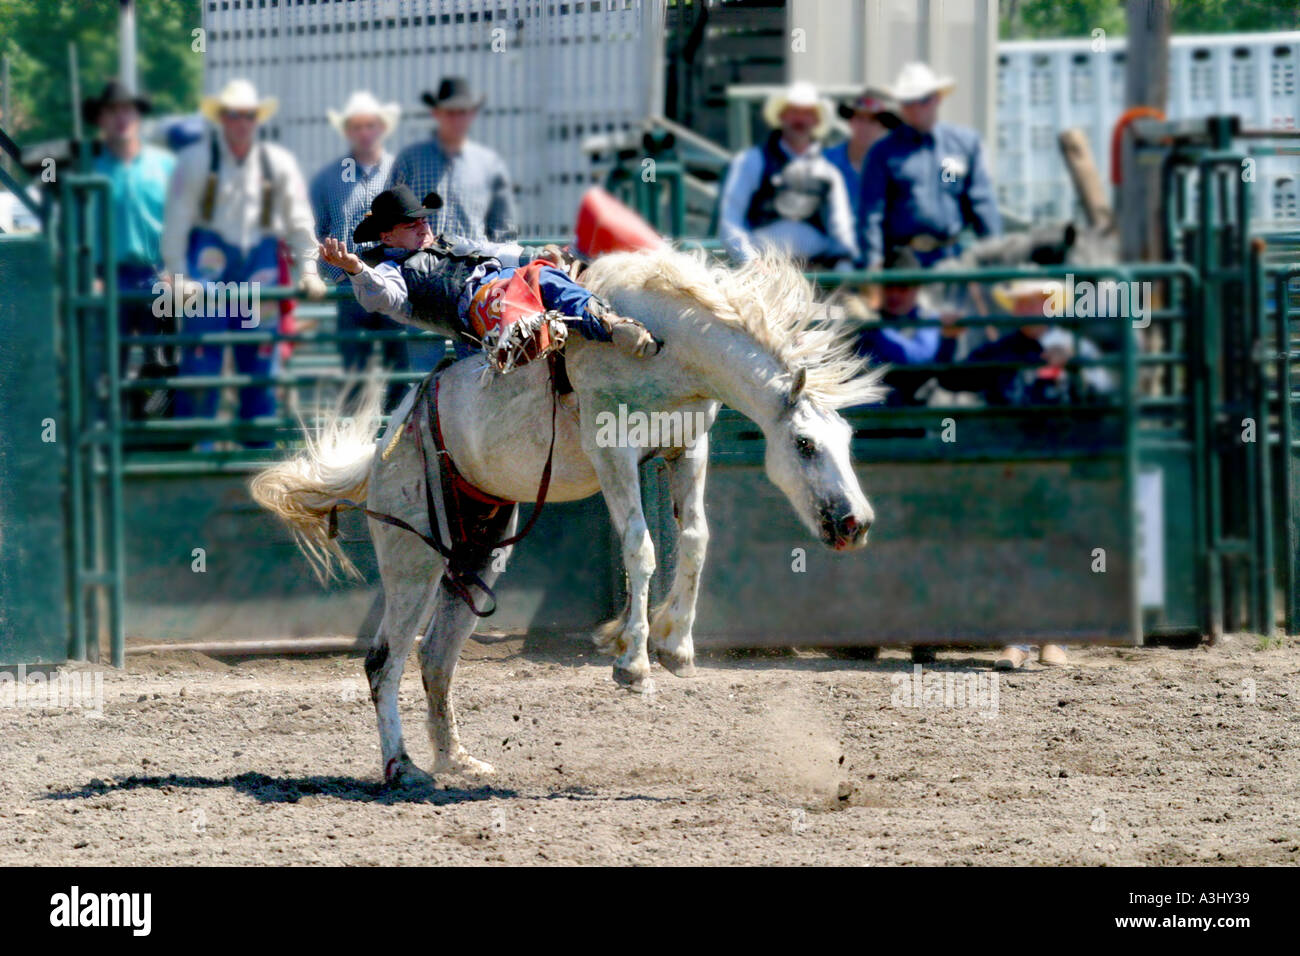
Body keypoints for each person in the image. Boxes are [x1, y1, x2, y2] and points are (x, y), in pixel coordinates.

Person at [162, 79, 324, 447]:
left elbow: (299, 222)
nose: (241, 122)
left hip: (260, 271)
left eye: (248, 115)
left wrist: (310, 270)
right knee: (201, 360)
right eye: (233, 115)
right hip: (207, 271)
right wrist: (180, 274)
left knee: (261, 366)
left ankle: (258, 453)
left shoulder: (278, 164)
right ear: (221, 118)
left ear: (256, 119)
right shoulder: (195, 162)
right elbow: (176, 223)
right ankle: (198, 453)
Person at [318, 186, 659, 360]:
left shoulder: (449, 241)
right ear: (387, 236)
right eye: (411, 223)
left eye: (424, 219)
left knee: (564, 268)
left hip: (503, 291)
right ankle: (608, 324)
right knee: (541, 279)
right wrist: (356, 268)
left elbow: (494, 250)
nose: (423, 226)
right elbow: (383, 296)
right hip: (480, 315)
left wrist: (537, 253)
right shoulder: (392, 271)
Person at [82, 81, 177, 424]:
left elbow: (182, 224)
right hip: (109, 276)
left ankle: (163, 435)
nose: (121, 118)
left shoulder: (165, 166)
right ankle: (108, 440)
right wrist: (91, 277)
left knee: (165, 359)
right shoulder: (90, 169)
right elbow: (78, 231)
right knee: (107, 361)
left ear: (137, 116)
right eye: (113, 111)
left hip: (158, 275)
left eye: (127, 109)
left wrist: (173, 271)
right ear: (101, 120)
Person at [310, 91, 406, 410]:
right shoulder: (326, 180)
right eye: (357, 126)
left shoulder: (399, 172)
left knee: (399, 368)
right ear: (348, 131)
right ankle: (355, 442)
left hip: (391, 280)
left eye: (371, 125)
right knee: (353, 371)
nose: (364, 132)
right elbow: (314, 230)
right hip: (347, 288)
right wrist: (333, 271)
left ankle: (399, 441)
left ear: (381, 128)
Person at [858, 63, 1001, 271]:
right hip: (901, 262)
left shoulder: (964, 144)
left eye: (923, 100)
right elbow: (871, 214)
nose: (916, 107)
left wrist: (995, 256)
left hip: (952, 256)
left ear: (937, 99)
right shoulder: (882, 153)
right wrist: (873, 264)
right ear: (900, 104)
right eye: (908, 101)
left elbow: (982, 203)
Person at [718, 81, 857, 268]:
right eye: (793, 112)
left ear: (816, 121)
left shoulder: (829, 174)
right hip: (762, 273)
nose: (799, 120)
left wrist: (843, 270)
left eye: (807, 113)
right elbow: (730, 220)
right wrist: (750, 261)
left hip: (816, 274)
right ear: (781, 116)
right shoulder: (750, 162)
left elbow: (841, 231)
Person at [386, 76, 516, 243]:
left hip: (475, 265)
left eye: (462, 112)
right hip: (421, 264)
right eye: (449, 112)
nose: (456, 120)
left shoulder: (490, 165)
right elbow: (388, 217)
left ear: (472, 114)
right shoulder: (410, 159)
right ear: (436, 113)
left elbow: (503, 228)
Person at [853, 248, 959, 406]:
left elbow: (919, 358)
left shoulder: (928, 319)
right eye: (889, 286)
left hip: (913, 412)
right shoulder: (868, 322)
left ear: (916, 288)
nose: (894, 294)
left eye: (903, 287)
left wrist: (875, 328)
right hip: (874, 416)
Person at [825, 89, 899, 223]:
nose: (865, 126)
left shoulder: (895, 166)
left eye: (872, 120)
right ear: (850, 121)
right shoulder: (826, 161)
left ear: (883, 126)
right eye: (859, 118)